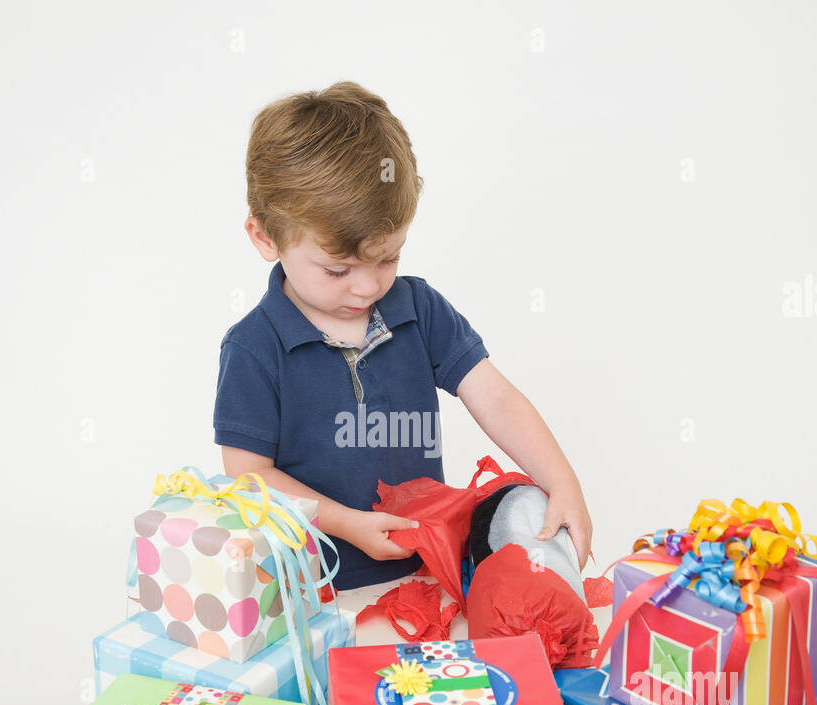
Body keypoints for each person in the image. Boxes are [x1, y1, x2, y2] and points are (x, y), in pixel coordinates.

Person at [214, 81, 591, 592]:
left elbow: (496, 397)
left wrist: (560, 479)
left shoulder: (417, 308)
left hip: (425, 574)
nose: (368, 286)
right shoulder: (254, 349)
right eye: (337, 269)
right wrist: (346, 524)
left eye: (388, 258)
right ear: (265, 238)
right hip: (308, 593)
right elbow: (248, 478)